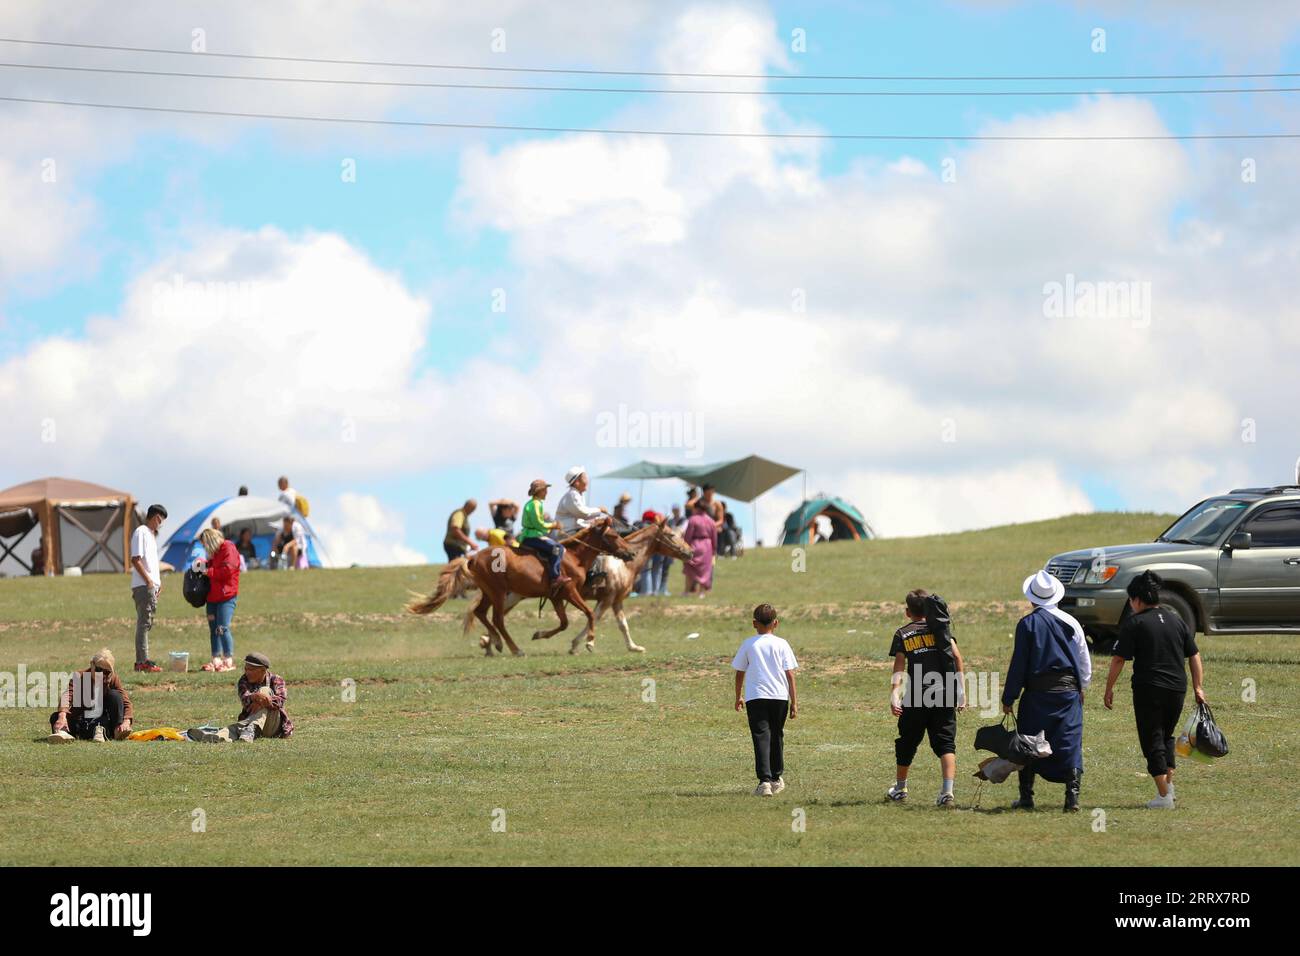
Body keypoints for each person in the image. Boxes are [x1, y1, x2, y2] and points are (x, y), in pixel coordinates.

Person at [1103, 571, 1207, 809]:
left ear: (1137, 600)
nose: (1131, 605)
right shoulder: (1175, 619)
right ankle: (1168, 788)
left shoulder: (1135, 623)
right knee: (1166, 736)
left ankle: (1163, 797)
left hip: (1149, 689)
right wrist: (1198, 687)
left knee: (1152, 740)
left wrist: (1108, 689)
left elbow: (1119, 659)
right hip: (1177, 688)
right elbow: (1194, 654)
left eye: (1131, 600)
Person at [1002, 570, 1089, 812]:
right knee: (1070, 742)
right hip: (1068, 694)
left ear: (1033, 599)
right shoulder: (1071, 623)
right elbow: (1083, 659)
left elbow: (1019, 663)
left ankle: (1027, 797)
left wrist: (1009, 697)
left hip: (1036, 696)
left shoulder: (1027, 624)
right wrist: (1082, 687)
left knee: (1029, 742)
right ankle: (1072, 799)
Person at [886, 590, 965, 807]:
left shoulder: (903, 633)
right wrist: (961, 691)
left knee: (907, 742)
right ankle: (947, 792)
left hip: (916, 697)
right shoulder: (941, 630)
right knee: (946, 743)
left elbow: (899, 665)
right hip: (946, 693)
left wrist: (895, 692)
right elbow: (957, 658)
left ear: (907, 612)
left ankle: (900, 788)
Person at [732, 603, 799, 796]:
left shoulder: (748, 644)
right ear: (776, 623)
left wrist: (738, 696)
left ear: (754, 623)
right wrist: (794, 702)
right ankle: (777, 777)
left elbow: (739, 672)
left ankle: (764, 782)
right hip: (779, 697)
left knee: (761, 736)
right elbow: (791, 675)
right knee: (777, 735)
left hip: (756, 697)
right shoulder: (782, 644)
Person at [188, 652, 293, 742]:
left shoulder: (276, 680)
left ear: (262, 670)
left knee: (265, 691)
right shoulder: (244, 680)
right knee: (238, 727)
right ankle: (215, 737)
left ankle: (252, 727)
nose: (247, 673)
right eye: (246, 669)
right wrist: (254, 697)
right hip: (248, 727)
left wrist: (261, 700)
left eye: (251, 670)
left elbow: (280, 702)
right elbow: (245, 700)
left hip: (273, 726)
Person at [46, 648, 134, 743]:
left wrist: (126, 721)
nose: (102, 675)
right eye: (99, 670)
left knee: (115, 695)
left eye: (107, 672)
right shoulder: (80, 676)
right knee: (55, 717)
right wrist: (62, 715)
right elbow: (68, 695)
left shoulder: (113, 679)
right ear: (92, 664)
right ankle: (64, 733)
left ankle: (116, 730)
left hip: (102, 718)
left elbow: (125, 701)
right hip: (81, 719)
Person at [129, 504, 167, 673]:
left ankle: (144, 659)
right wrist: (149, 582)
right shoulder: (141, 532)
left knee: (147, 622)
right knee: (143, 623)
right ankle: (141, 661)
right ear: (155, 517)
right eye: (161, 519)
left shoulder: (151, 536)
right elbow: (135, 559)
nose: (161, 523)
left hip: (151, 585)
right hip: (144, 586)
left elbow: (150, 563)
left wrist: (157, 583)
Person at [199, 528, 240, 673]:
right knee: (213, 628)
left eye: (205, 545)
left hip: (226, 596)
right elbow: (212, 565)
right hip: (212, 597)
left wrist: (208, 572)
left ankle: (228, 659)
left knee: (222, 627)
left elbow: (227, 571)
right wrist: (202, 563)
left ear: (210, 541)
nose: (205, 548)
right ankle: (216, 658)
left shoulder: (228, 548)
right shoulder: (215, 553)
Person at [518, 479, 569, 594]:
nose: (546, 492)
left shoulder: (533, 503)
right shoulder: (536, 505)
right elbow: (539, 524)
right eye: (545, 489)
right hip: (532, 536)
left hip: (531, 535)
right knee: (558, 548)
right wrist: (554, 525)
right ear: (540, 491)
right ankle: (555, 577)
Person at [555, 466, 607, 535]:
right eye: (585, 478)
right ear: (577, 482)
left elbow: (582, 517)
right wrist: (599, 510)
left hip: (572, 530)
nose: (587, 481)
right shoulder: (572, 494)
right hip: (566, 532)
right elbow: (583, 513)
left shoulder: (577, 494)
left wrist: (596, 519)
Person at [682, 500, 718, 596]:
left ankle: (686, 591)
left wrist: (685, 546)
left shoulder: (693, 519)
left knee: (689, 569)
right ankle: (701, 593)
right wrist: (714, 550)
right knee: (704, 570)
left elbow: (688, 535)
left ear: (697, 508)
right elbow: (714, 537)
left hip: (694, 545)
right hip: (707, 546)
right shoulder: (711, 521)